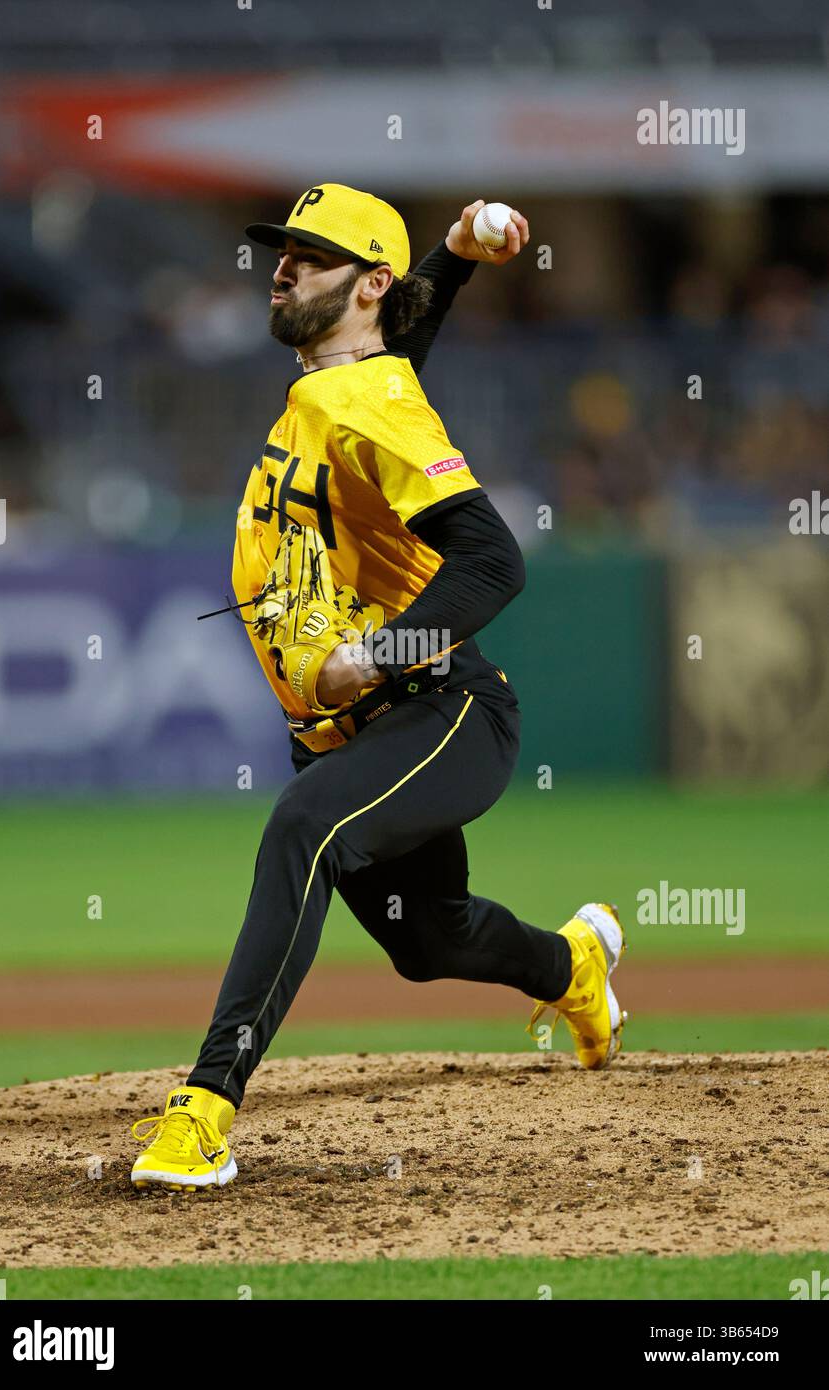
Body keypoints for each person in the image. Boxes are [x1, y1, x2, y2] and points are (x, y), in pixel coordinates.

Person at [130, 184, 626, 1191]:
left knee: (303, 827)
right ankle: (570, 965)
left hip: (442, 710)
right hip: (346, 732)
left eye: (308, 257)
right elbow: (393, 350)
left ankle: (204, 1111)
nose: (280, 269)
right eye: (281, 252)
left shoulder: (369, 400)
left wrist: (380, 654)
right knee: (428, 939)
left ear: (366, 284)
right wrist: (458, 253)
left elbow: (494, 563)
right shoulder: (345, 385)